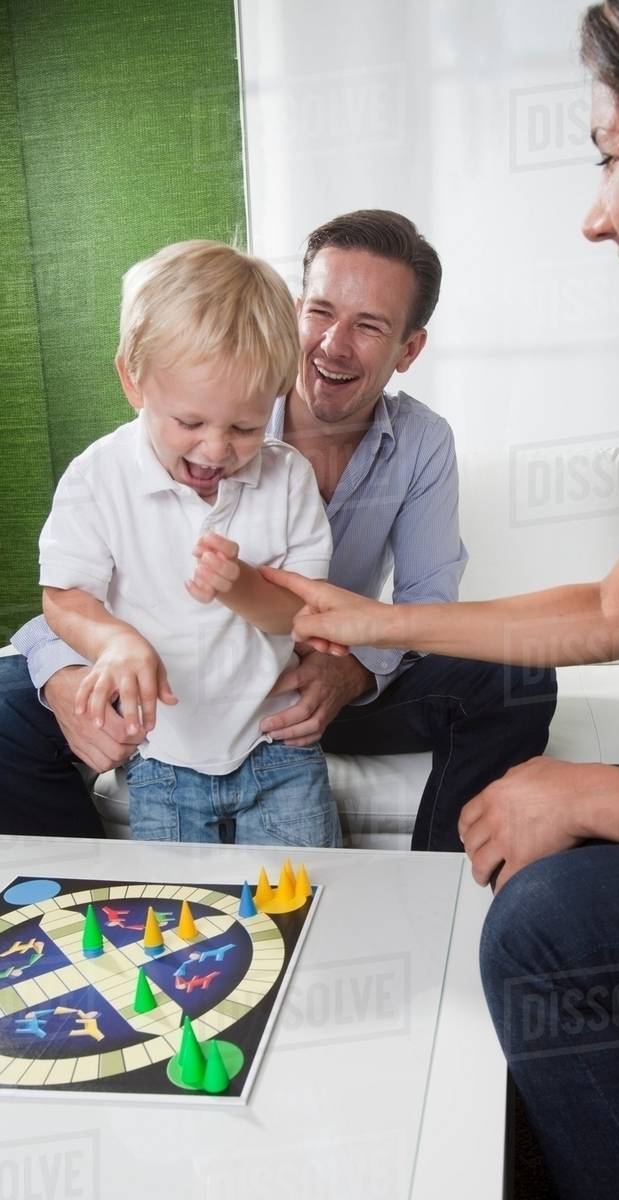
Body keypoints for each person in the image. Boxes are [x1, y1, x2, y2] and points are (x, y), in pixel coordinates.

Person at [255, 6, 619, 1195]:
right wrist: (371, 619)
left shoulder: (427, 441)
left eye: (607, 153)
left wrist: (598, 787)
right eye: (319, 310)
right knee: (549, 880)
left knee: (550, 919)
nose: (594, 213)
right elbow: (611, 606)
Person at [2, 210, 557, 850]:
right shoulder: (207, 402)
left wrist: (351, 672)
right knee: (8, 698)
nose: (333, 345)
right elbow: (84, 588)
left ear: (409, 348)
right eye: (320, 312)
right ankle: (92, 899)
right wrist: (68, 676)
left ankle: (445, 883)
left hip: (306, 678)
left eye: (369, 326)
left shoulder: (417, 444)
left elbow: (428, 603)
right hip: (181, 680)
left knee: (521, 672)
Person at [38, 239, 338, 846]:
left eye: (245, 427)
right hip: (162, 760)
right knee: (175, 919)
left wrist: (244, 588)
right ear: (133, 381)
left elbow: (306, 615)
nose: (216, 449)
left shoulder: (287, 478)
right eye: (190, 422)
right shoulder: (98, 476)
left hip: (275, 747)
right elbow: (64, 597)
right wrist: (115, 642)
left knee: (309, 897)